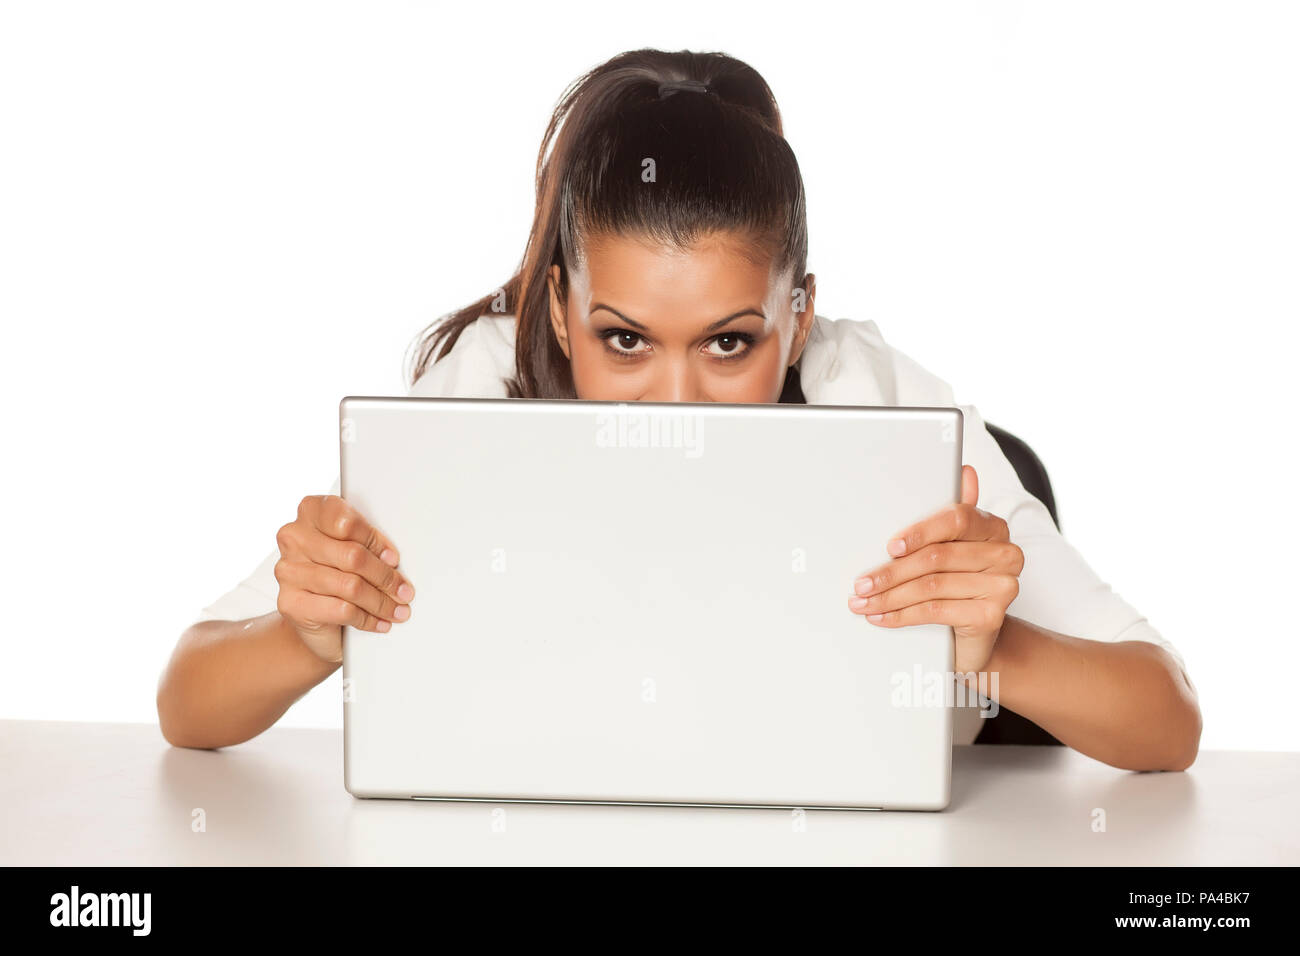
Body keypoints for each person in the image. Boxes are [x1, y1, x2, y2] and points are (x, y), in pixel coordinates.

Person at [158, 49, 1201, 771]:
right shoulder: (484, 388)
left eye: (728, 343)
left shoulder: (871, 393)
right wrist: (305, 633)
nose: (673, 398)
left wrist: (993, 650)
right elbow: (187, 701)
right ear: (559, 310)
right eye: (624, 339)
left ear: (797, 319)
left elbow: (1167, 719)